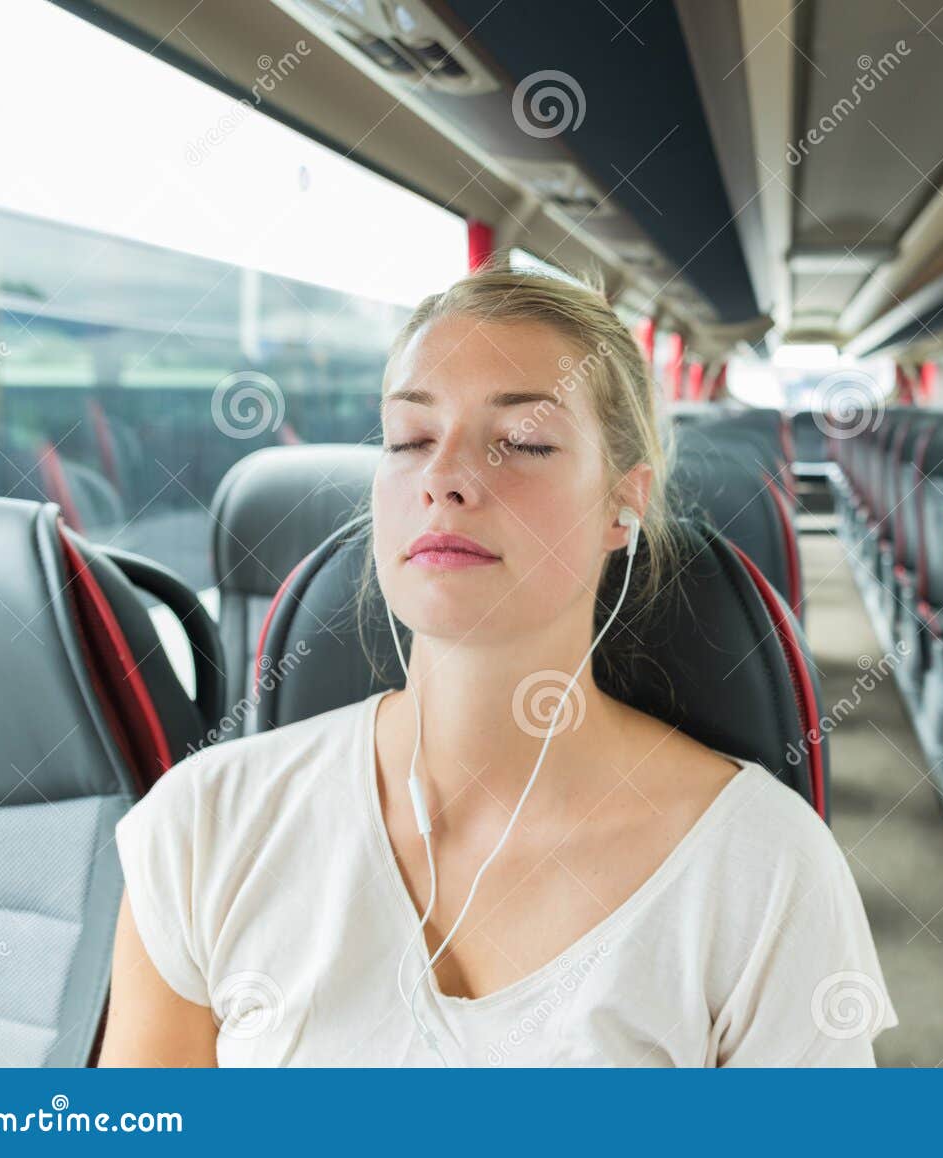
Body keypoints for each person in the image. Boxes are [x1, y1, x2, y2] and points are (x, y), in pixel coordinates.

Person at [99, 265, 896, 1066]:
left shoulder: (762, 866)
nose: (442, 478)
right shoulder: (203, 826)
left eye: (521, 443)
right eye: (410, 440)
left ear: (624, 503)